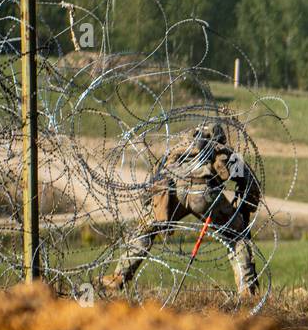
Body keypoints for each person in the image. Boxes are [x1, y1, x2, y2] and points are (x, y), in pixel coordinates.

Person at [104, 120, 260, 296]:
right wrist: (244, 210)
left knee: (145, 230)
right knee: (236, 234)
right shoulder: (222, 152)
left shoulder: (178, 149)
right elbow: (251, 186)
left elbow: (155, 179)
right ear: (219, 137)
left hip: (171, 194)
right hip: (203, 192)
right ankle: (247, 290)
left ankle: (118, 277)